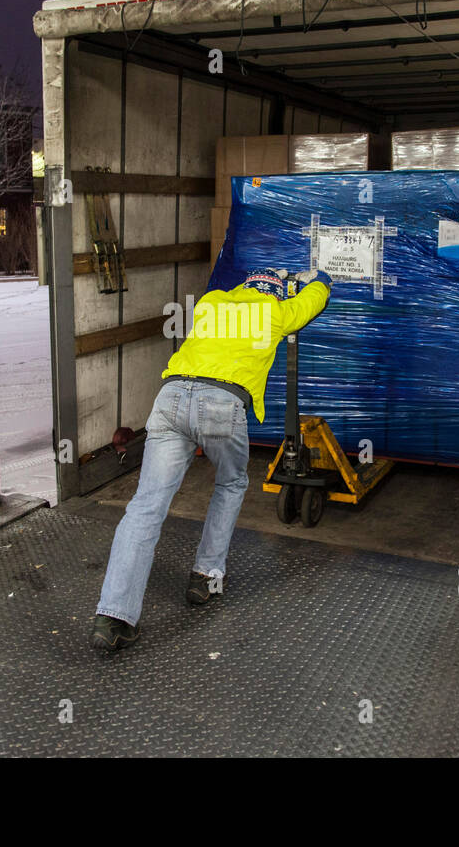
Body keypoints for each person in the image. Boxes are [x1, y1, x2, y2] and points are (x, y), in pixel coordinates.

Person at [91, 266, 333, 650]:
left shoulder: (211, 303)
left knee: (145, 507)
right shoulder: (276, 313)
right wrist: (318, 278)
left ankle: (114, 615)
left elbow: (242, 293)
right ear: (274, 293)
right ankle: (205, 577)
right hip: (222, 403)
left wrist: (266, 278)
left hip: (171, 398)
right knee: (232, 483)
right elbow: (312, 302)